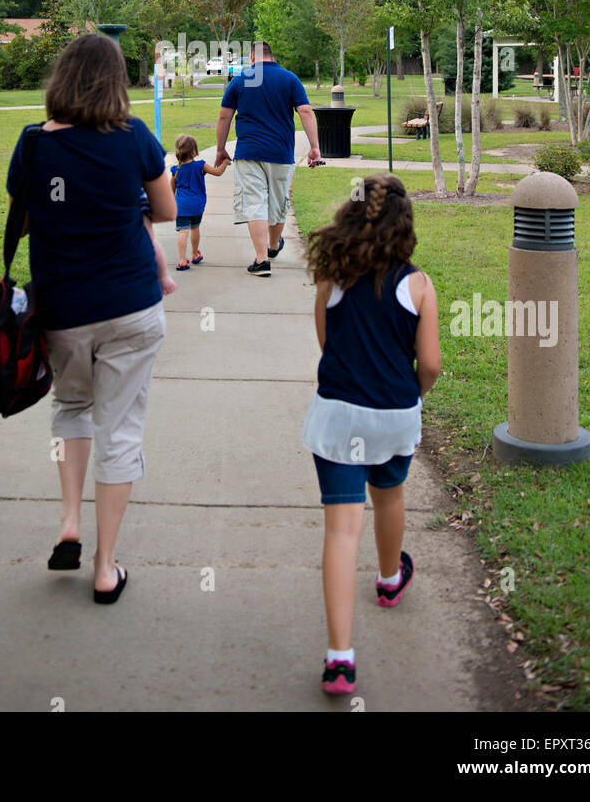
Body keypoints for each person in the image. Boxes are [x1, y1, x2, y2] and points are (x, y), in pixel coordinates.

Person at [6, 34, 176, 604]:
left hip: (64, 312)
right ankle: (106, 568)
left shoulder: (33, 146)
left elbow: (24, 222)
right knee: (121, 430)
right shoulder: (134, 140)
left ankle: (69, 523)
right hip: (131, 306)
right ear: (116, 82)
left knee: (72, 407)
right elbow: (167, 210)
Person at [301, 174, 441, 695]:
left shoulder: (330, 279)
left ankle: (339, 658)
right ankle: (388, 579)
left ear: (350, 216)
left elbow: (325, 344)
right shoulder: (418, 284)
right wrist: (413, 394)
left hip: (338, 414)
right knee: (390, 496)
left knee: (340, 529)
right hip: (394, 413)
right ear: (404, 225)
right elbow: (430, 363)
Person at [214, 41, 322, 276]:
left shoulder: (240, 80)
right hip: (281, 153)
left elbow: (224, 117)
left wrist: (220, 149)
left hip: (249, 153)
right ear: (272, 57)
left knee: (254, 203)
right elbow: (305, 111)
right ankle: (273, 246)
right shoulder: (290, 79)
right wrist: (315, 147)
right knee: (278, 201)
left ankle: (262, 260)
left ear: (252, 56)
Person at [169, 133, 229, 271]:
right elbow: (218, 172)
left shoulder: (175, 170)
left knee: (183, 231)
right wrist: (225, 163)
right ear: (194, 151)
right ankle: (195, 254)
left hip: (182, 206)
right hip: (197, 205)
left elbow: (170, 190)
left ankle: (182, 260)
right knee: (195, 228)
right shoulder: (200, 165)